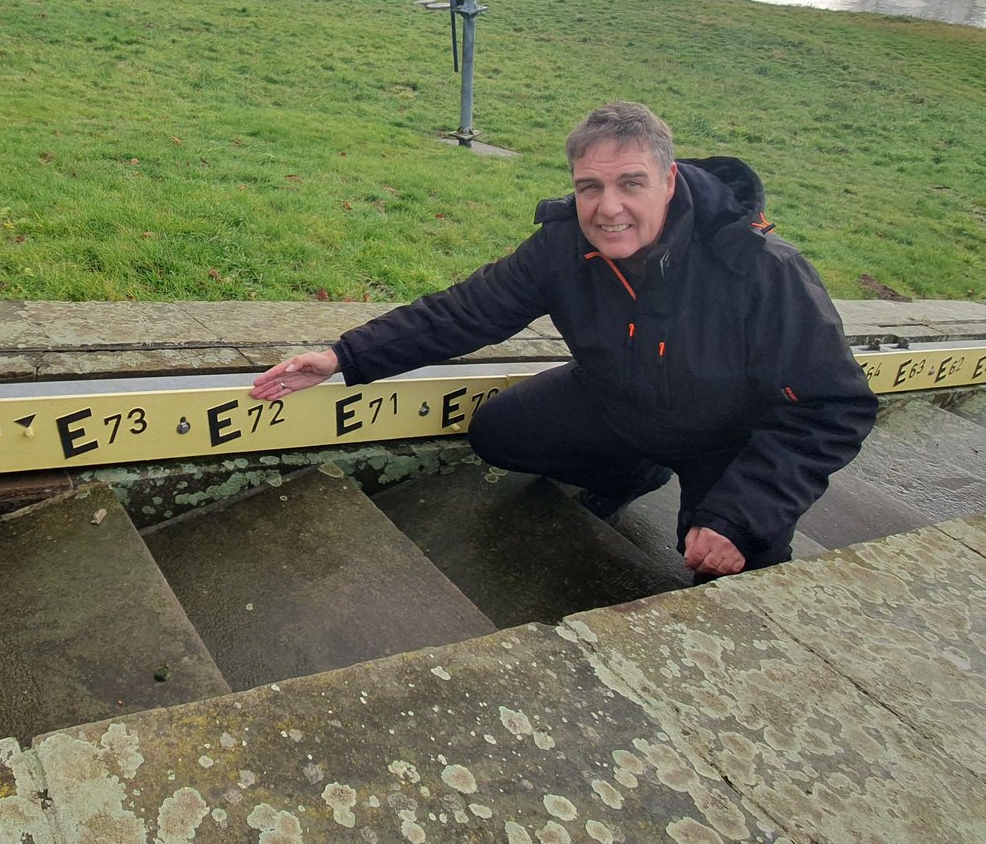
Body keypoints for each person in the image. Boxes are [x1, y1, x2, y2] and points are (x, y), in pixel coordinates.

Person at [251, 102, 876, 577]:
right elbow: (466, 311)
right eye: (589, 187)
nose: (608, 208)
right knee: (498, 433)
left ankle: (721, 514)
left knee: (734, 569)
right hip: (616, 404)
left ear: (668, 180)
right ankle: (634, 472)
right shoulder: (562, 245)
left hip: (731, 445)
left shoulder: (763, 269)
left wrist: (744, 513)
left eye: (630, 183)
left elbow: (833, 408)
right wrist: (343, 356)